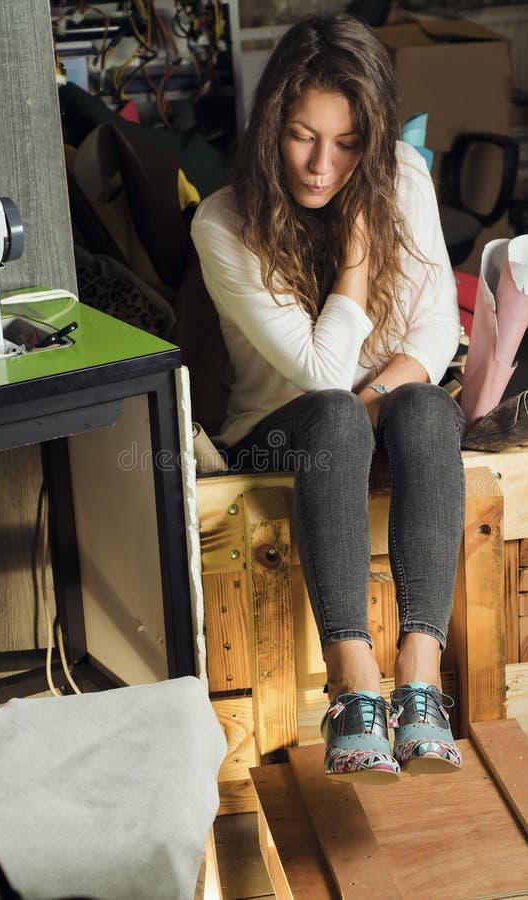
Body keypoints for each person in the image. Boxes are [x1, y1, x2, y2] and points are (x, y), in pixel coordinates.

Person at [191, 14, 465, 783]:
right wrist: (357, 258)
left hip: (370, 410)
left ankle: (418, 676)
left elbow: (439, 326)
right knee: (339, 413)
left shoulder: (402, 175)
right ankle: (351, 683)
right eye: (302, 136)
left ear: (372, 143)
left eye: (347, 144)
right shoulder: (223, 225)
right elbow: (318, 375)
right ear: (270, 123)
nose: (321, 166)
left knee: (425, 408)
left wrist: (376, 399)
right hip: (273, 433)